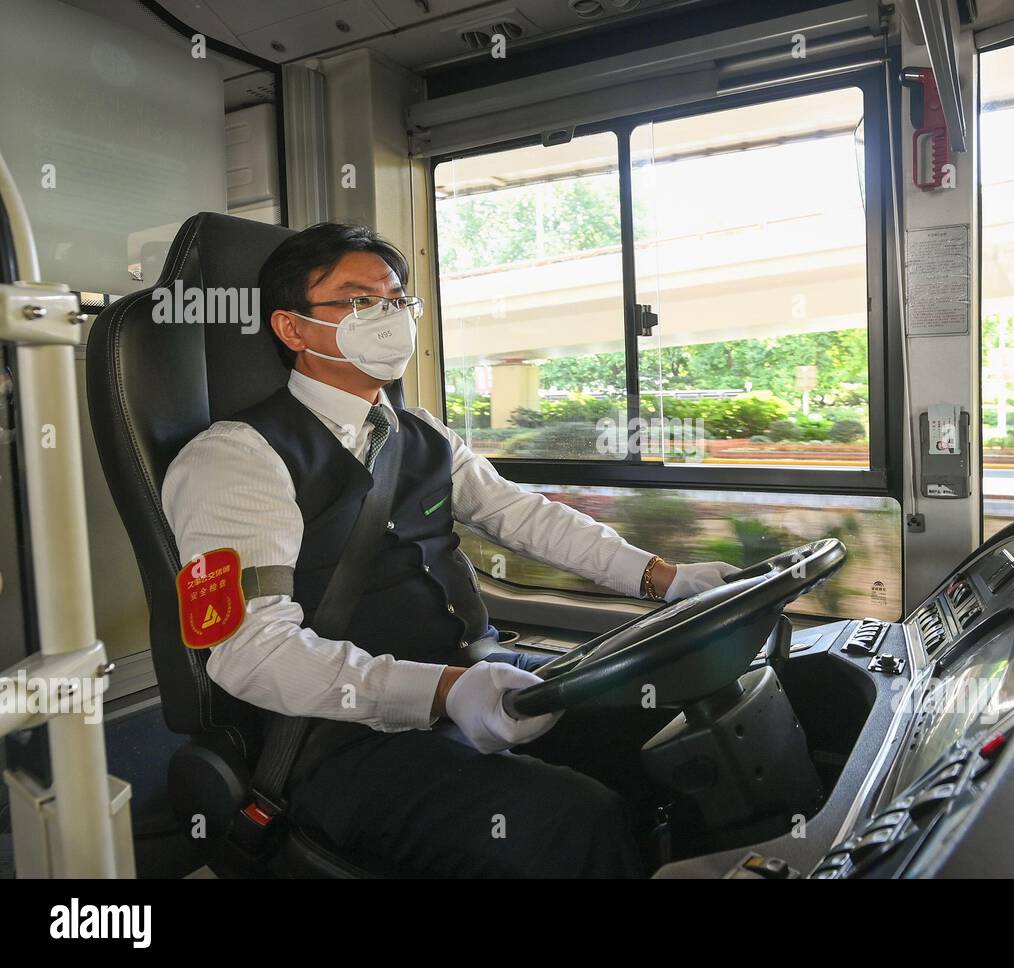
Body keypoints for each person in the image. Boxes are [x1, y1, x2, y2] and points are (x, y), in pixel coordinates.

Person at [160, 222, 738, 877]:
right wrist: (442, 691)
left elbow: (520, 516)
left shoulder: (418, 433)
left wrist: (665, 578)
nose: (389, 318)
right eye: (357, 302)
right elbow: (249, 654)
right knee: (574, 820)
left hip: (473, 671)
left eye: (397, 300)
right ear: (292, 330)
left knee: (662, 722)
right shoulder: (235, 459)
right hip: (338, 739)